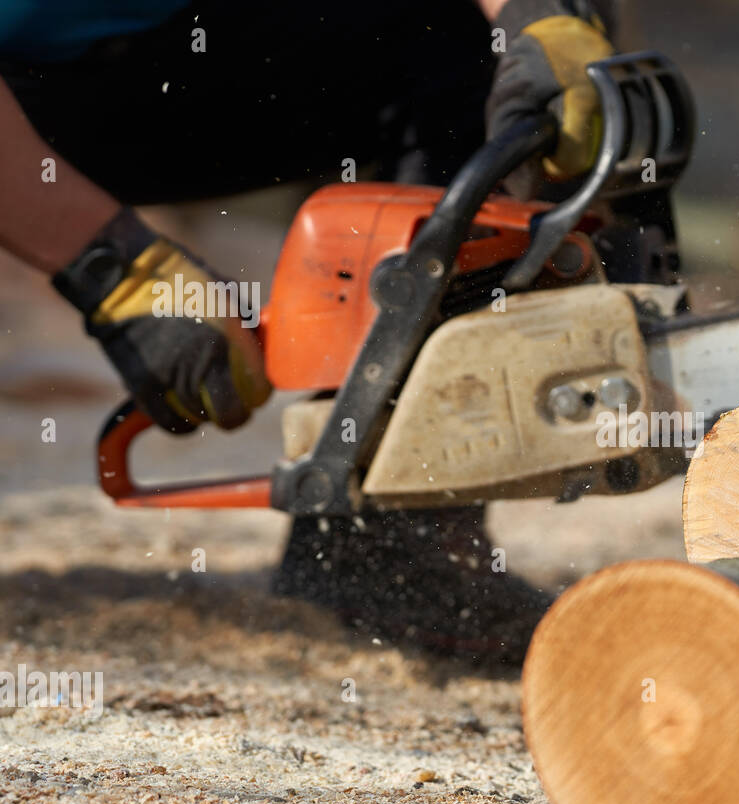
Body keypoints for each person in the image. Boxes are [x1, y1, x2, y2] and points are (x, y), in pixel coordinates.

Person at [0, 0, 619, 658]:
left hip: (169, 56)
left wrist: (542, 15)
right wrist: (114, 269)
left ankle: (386, 536)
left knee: (464, 39)